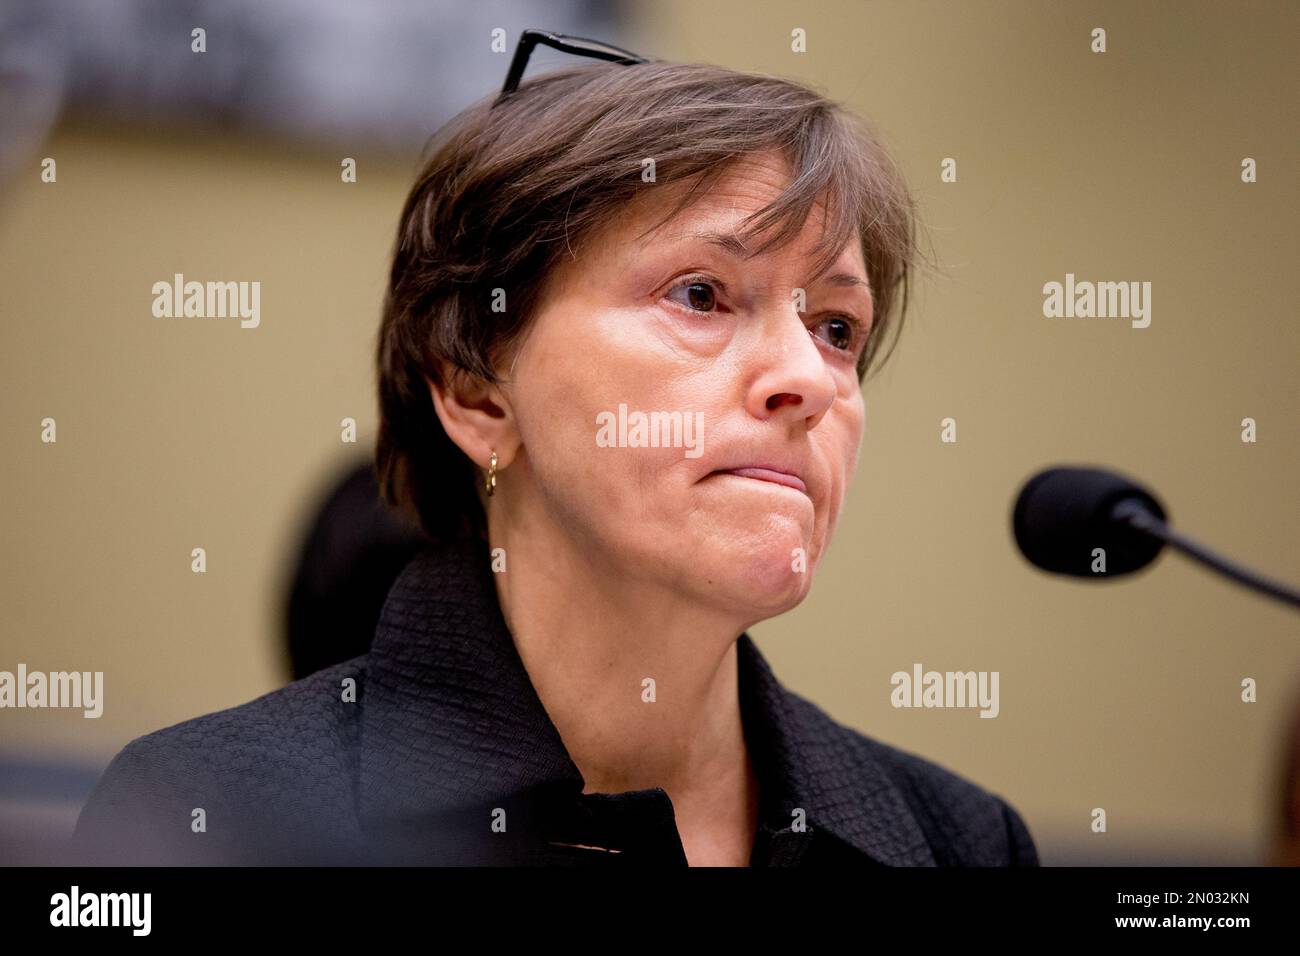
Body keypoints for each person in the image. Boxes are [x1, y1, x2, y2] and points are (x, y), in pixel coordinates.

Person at [69, 35, 1039, 867]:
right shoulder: (210, 815)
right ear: (474, 388)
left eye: (836, 327)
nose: (810, 379)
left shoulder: (961, 841)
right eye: (701, 294)